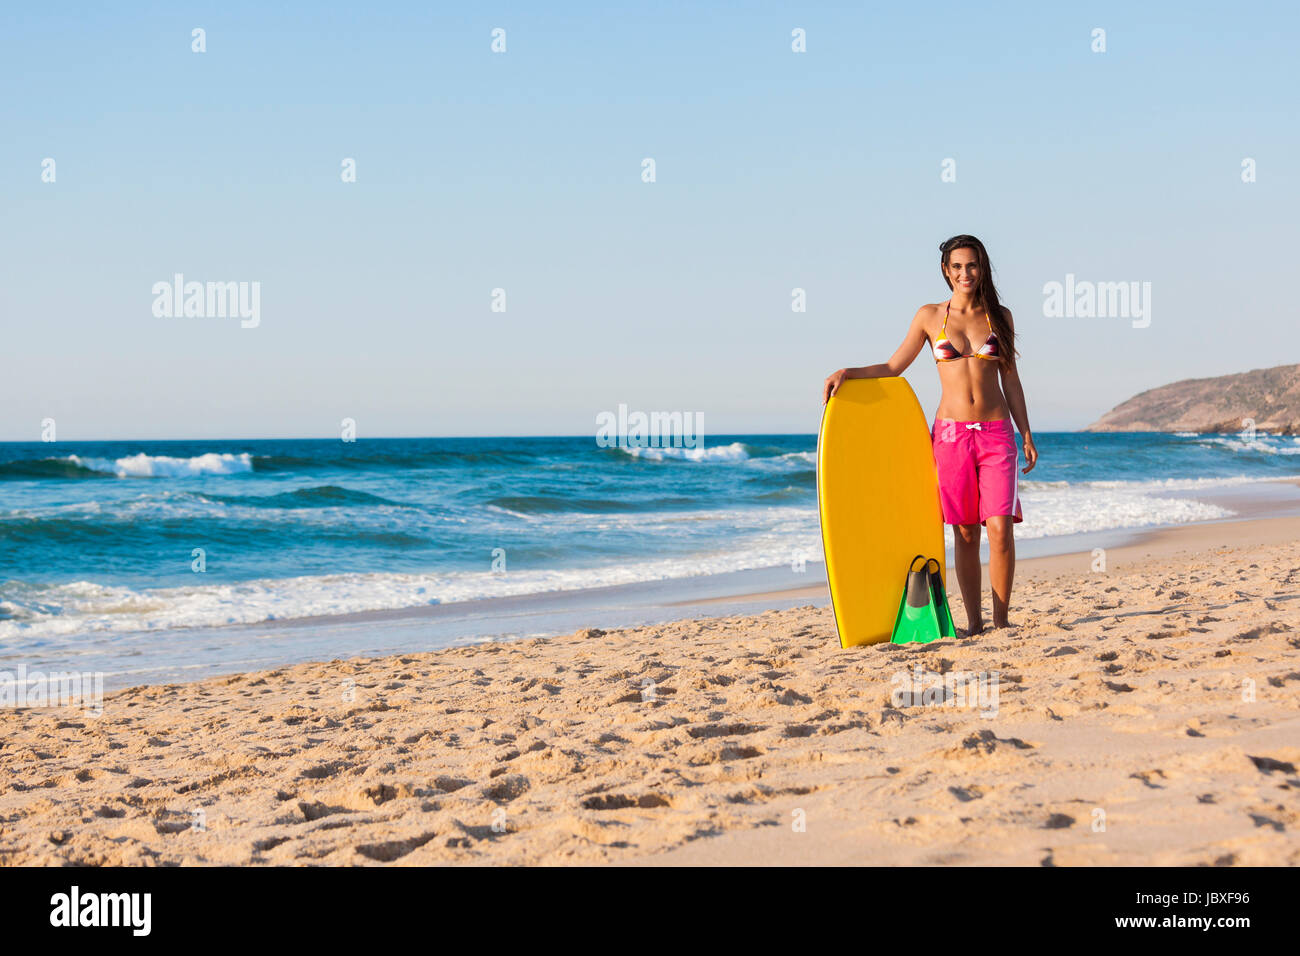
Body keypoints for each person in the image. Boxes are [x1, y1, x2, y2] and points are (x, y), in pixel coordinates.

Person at [822, 235, 1038, 633]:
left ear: (982, 267)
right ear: (946, 270)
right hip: (952, 436)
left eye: (971, 265)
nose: (965, 273)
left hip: (996, 434)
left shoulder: (1000, 317)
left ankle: (1002, 620)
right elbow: (893, 366)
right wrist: (848, 372)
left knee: (1000, 529)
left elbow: (1012, 381)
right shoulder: (929, 316)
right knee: (966, 532)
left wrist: (1025, 431)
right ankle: (975, 623)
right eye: (956, 267)